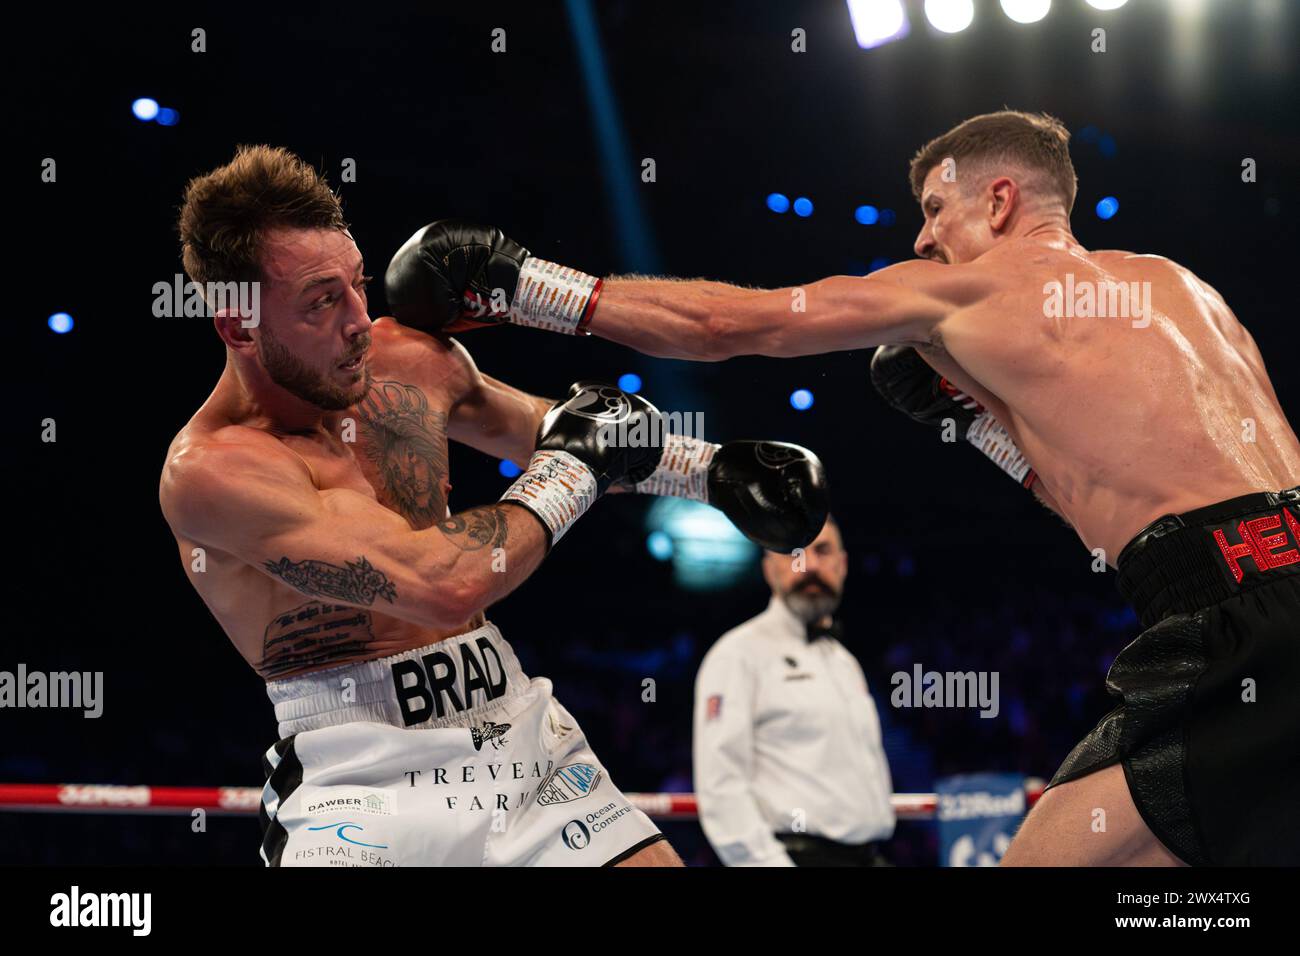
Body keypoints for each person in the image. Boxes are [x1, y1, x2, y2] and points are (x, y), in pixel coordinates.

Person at [384, 110, 1300, 866]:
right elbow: (1110, 497)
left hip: (1226, 623)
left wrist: (522, 284)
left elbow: (725, 324)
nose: (923, 235)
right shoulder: (1186, 292)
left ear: (1001, 199)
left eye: (937, 209)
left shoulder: (973, 296)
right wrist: (979, 424)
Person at [157, 145, 825, 867]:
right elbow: (442, 584)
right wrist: (571, 465)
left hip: (514, 731)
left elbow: (558, 431)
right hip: (356, 773)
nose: (358, 319)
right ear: (239, 326)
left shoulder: (400, 361)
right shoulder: (213, 472)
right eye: (322, 301)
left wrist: (716, 471)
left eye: (358, 283)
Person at [693, 517, 895, 867]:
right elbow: (721, 787)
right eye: (794, 552)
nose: (810, 565)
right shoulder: (737, 653)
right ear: (770, 569)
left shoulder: (844, 661)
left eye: (823, 551)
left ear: (842, 565)